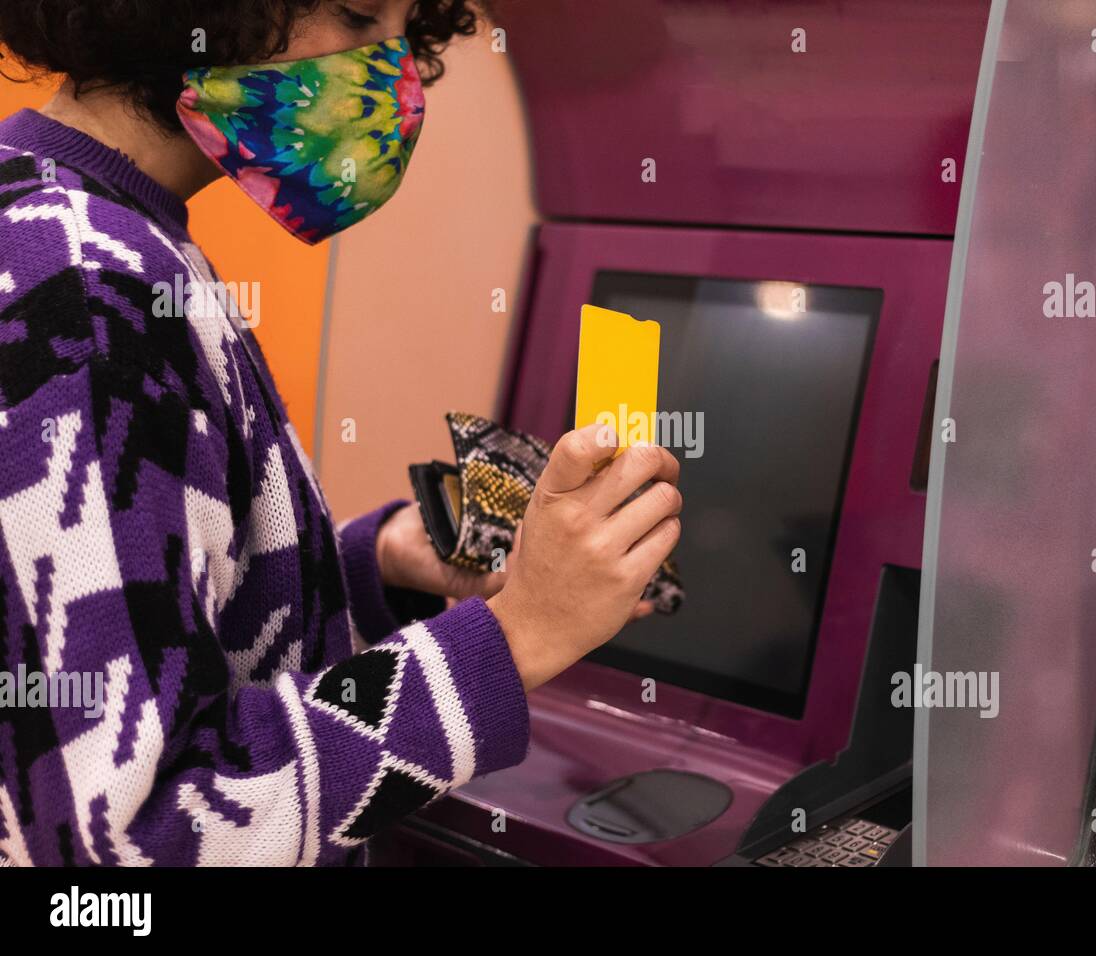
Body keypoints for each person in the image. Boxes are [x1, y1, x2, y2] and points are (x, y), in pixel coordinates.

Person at [0, 0, 682, 866]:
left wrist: (370, 569)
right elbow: (130, 842)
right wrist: (523, 635)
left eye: (406, 30)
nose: (392, 76)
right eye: (360, 16)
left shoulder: (73, 224)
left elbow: (166, 634)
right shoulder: (81, 289)